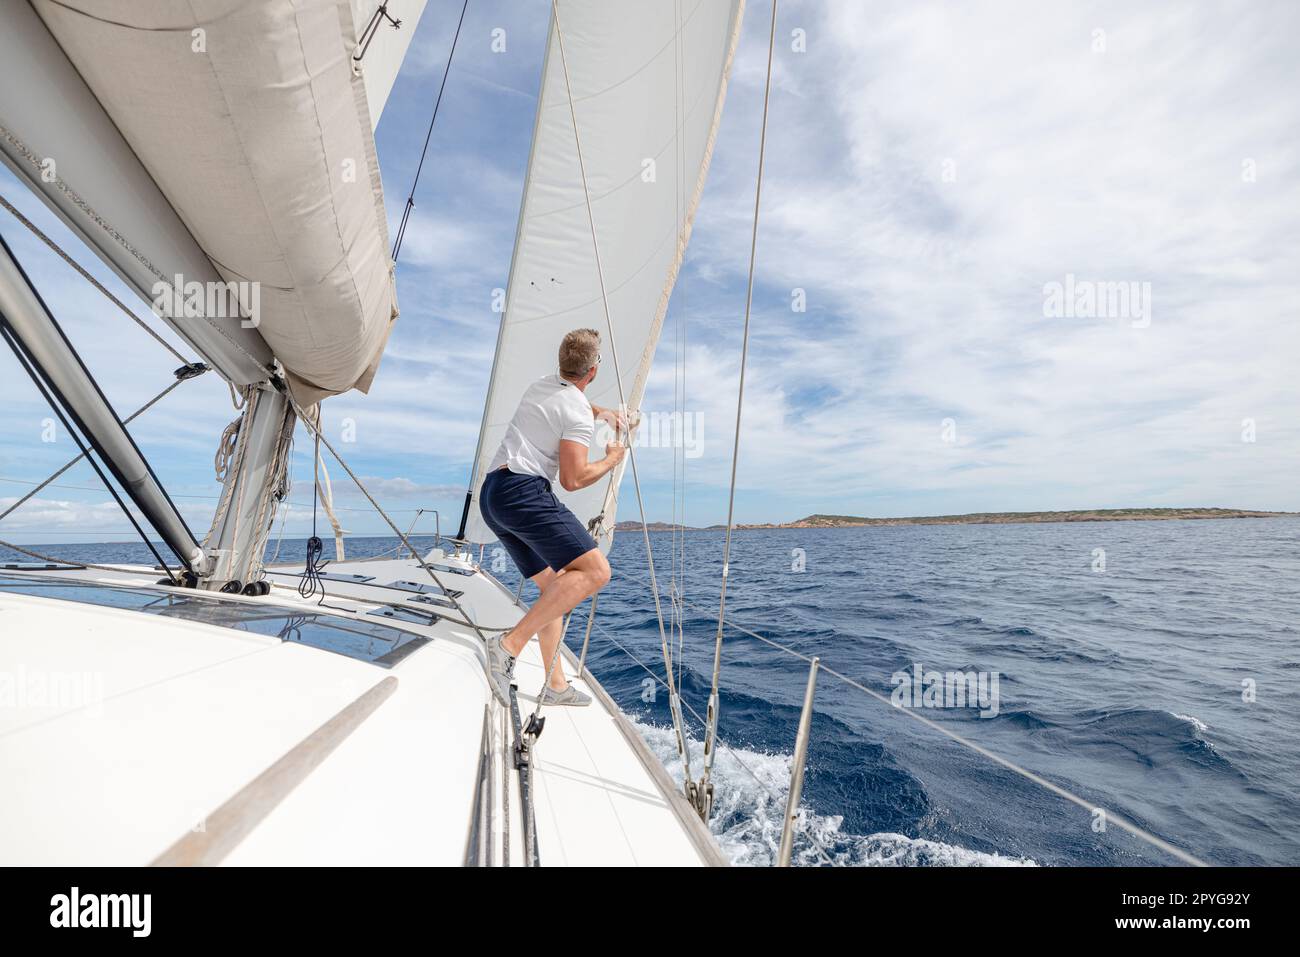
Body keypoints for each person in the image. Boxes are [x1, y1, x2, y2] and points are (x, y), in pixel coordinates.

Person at [479, 328, 628, 706]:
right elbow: (573, 479)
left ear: (562, 363)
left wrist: (605, 413)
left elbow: (575, 402)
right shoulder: (576, 410)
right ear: (594, 370)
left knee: (556, 589)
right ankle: (507, 646)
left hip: (493, 495)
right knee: (596, 572)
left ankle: (555, 685)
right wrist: (611, 459)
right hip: (523, 494)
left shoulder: (541, 385)